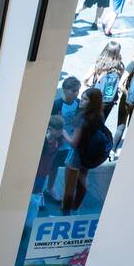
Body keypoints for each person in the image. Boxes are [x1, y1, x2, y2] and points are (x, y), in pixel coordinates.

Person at [59, 88, 111, 214]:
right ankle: (76, 208)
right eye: (81, 97)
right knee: (82, 181)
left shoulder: (82, 118)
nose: (81, 100)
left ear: (92, 102)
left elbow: (73, 143)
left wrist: (63, 131)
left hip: (77, 156)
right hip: (88, 154)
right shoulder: (99, 114)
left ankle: (65, 212)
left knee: (69, 187)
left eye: (85, 99)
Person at [43, 76, 82, 204]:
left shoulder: (79, 103)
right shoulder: (56, 104)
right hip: (58, 142)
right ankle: (39, 190)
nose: (76, 93)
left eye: (77, 90)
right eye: (73, 90)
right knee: (47, 166)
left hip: (68, 143)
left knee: (56, 166)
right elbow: (50, 124)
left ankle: (49, 188)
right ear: (64, 90)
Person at [83, 39, 125, 116]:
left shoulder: (99, 63)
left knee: (90, 119)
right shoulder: (120, 66)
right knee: (102, 120)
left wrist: (87, 84)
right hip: (110, 99)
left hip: (96, 97)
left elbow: (86, 78)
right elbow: (119, 81)